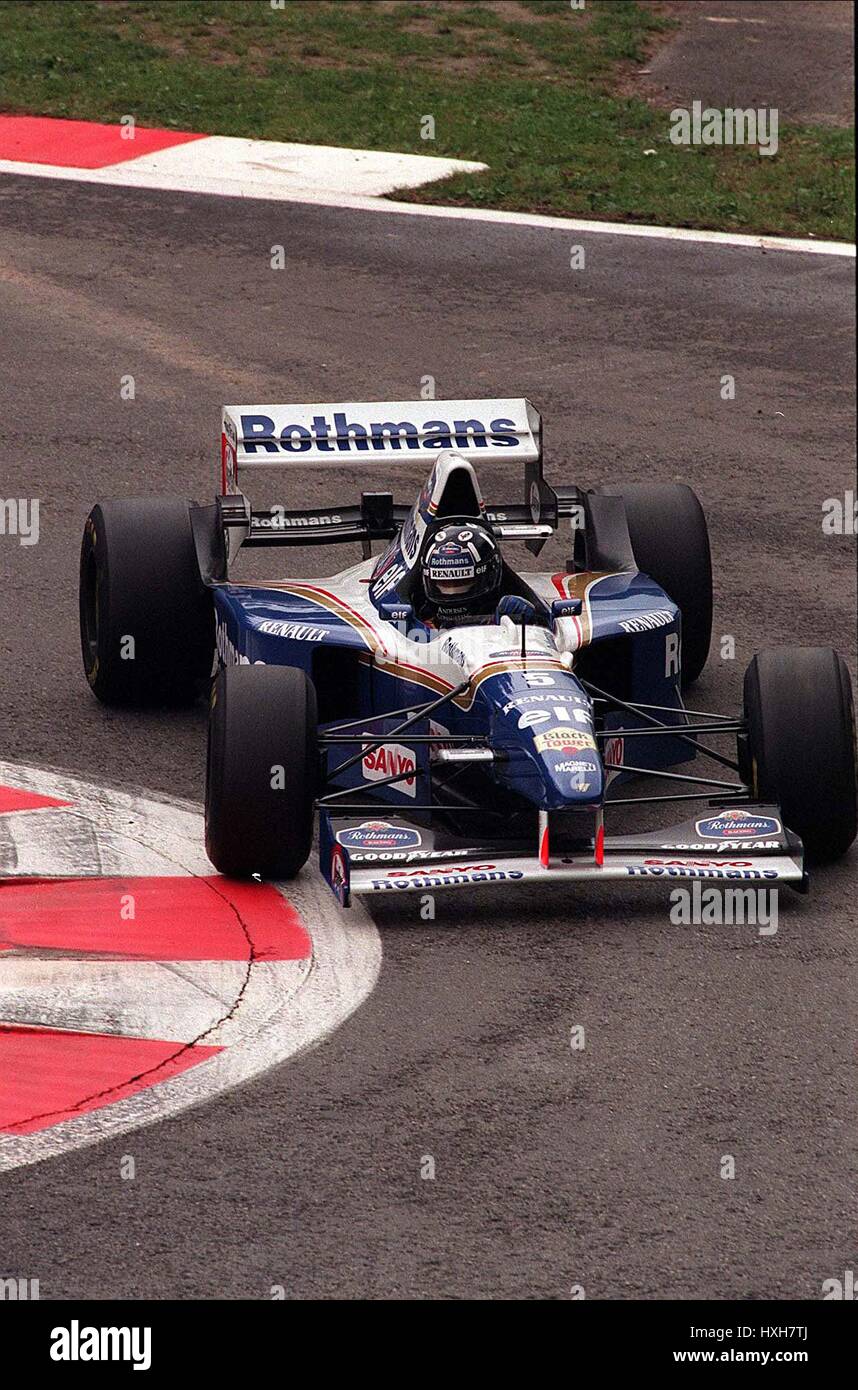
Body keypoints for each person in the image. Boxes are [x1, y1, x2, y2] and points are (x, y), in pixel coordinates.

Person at [417, 523, 504, 627]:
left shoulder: (508, 614)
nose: (451, 593)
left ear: (490, 577)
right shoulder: (420, 624)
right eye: (443, 583)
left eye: (462, 582)